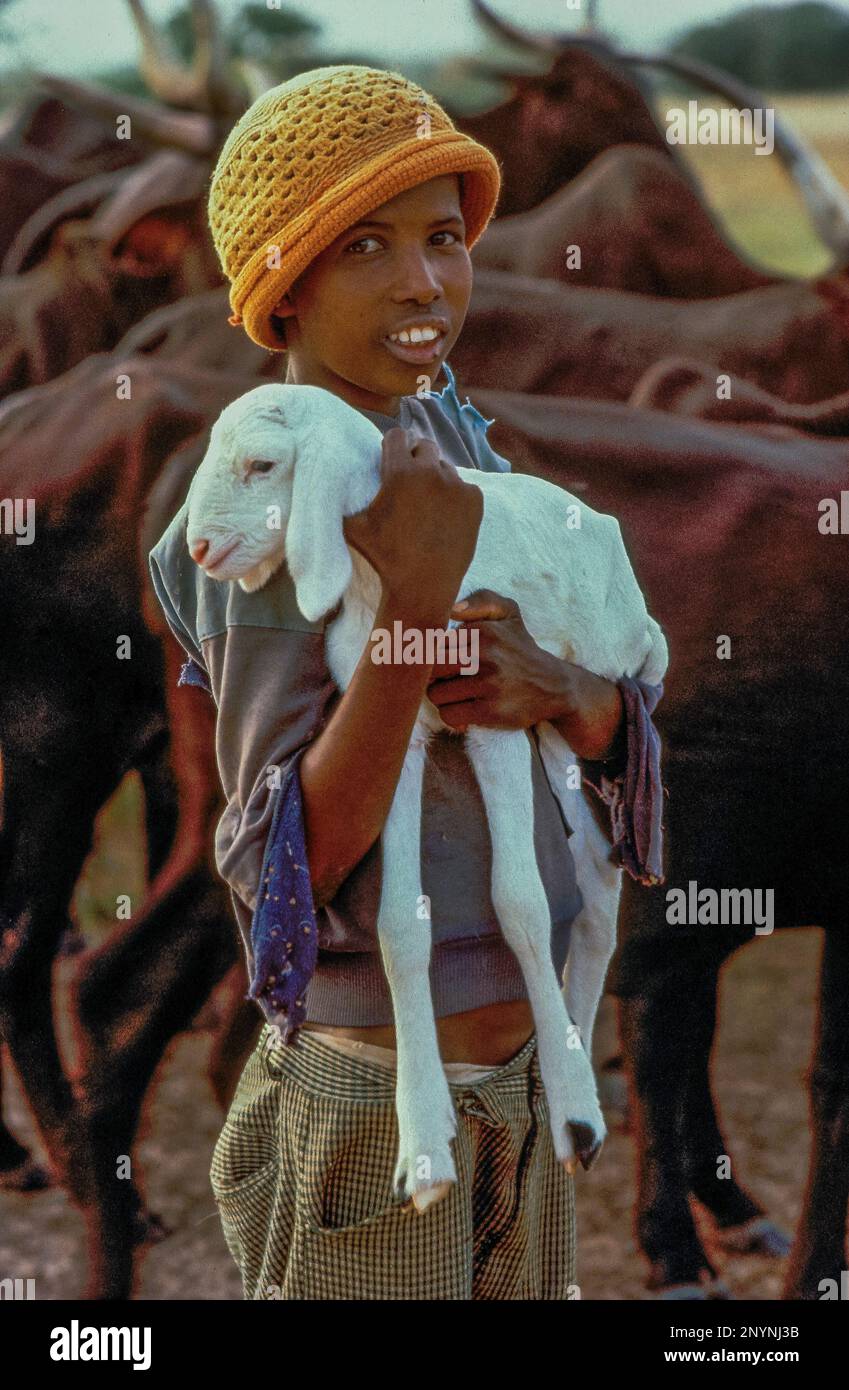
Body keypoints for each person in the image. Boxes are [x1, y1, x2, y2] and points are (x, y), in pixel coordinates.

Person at [148, 64, 665, 1301]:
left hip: (521, 1082)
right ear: (284, 292)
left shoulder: (450, 449)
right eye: (367, 246)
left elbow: (596, 723)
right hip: (375, 1096)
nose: (426, 281)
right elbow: (288, 864)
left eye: (445, 237)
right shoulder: (264, 515)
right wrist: (413, 623)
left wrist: (570, 694)